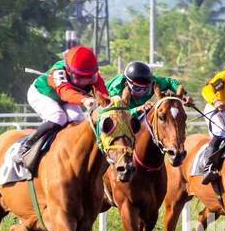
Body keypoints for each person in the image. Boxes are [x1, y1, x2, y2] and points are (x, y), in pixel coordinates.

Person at [20, 45, 109, 173]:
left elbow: (103, 95)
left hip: (66, 99)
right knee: (58, 117)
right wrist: (84, 99)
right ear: (68, 71)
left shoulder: (92, 74)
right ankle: (28, 145)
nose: (85, 82)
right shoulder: (58, 72)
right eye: (80, 78)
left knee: (77, 119)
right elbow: (65, 92)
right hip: (42, 94)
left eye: (89, 77)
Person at [104, 60, 187, 116]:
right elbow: (117, 114)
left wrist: (183, 96)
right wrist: (137, 110)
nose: (142, 92)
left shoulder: (154, 83)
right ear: (127, 84)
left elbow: (170, 82)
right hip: (107, 108)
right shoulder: (116, 88)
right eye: (137, 89)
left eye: (146, 89)